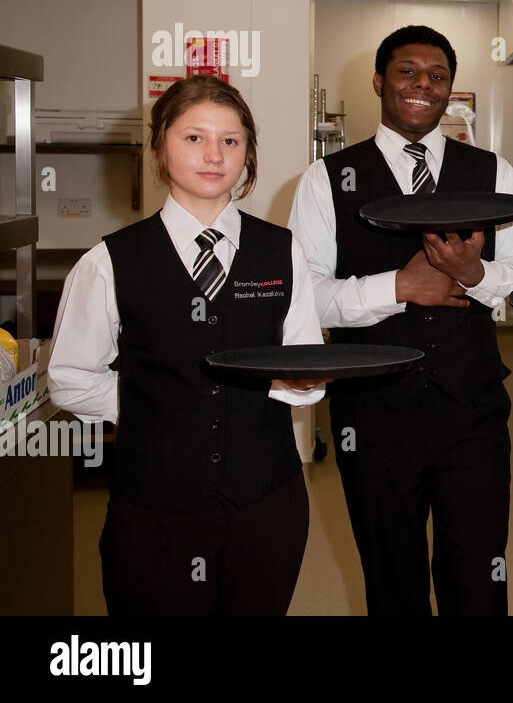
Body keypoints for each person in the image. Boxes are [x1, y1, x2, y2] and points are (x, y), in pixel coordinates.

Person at [288, 24, 513, 616]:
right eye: (407, 71)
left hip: (472, 410)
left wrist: (475, 275)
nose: (422, 85)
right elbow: (308, 300)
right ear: (379, 80)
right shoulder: (327, 179)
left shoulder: (493, 174)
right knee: (392, 578)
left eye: (437, 76)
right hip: (373, 415)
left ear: (450, 90)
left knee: (479, 576)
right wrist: (399, 286)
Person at [48, 76, 327, 615]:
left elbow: (302, 357)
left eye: (231, 140)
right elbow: (69, 377)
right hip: (154, 507)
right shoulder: (110, 261)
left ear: (247, 154)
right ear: (160, 147)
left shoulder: (280, 251)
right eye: (194, 138)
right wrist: (152, 408)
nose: (214, 155)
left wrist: (301, 384)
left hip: (266, 500)